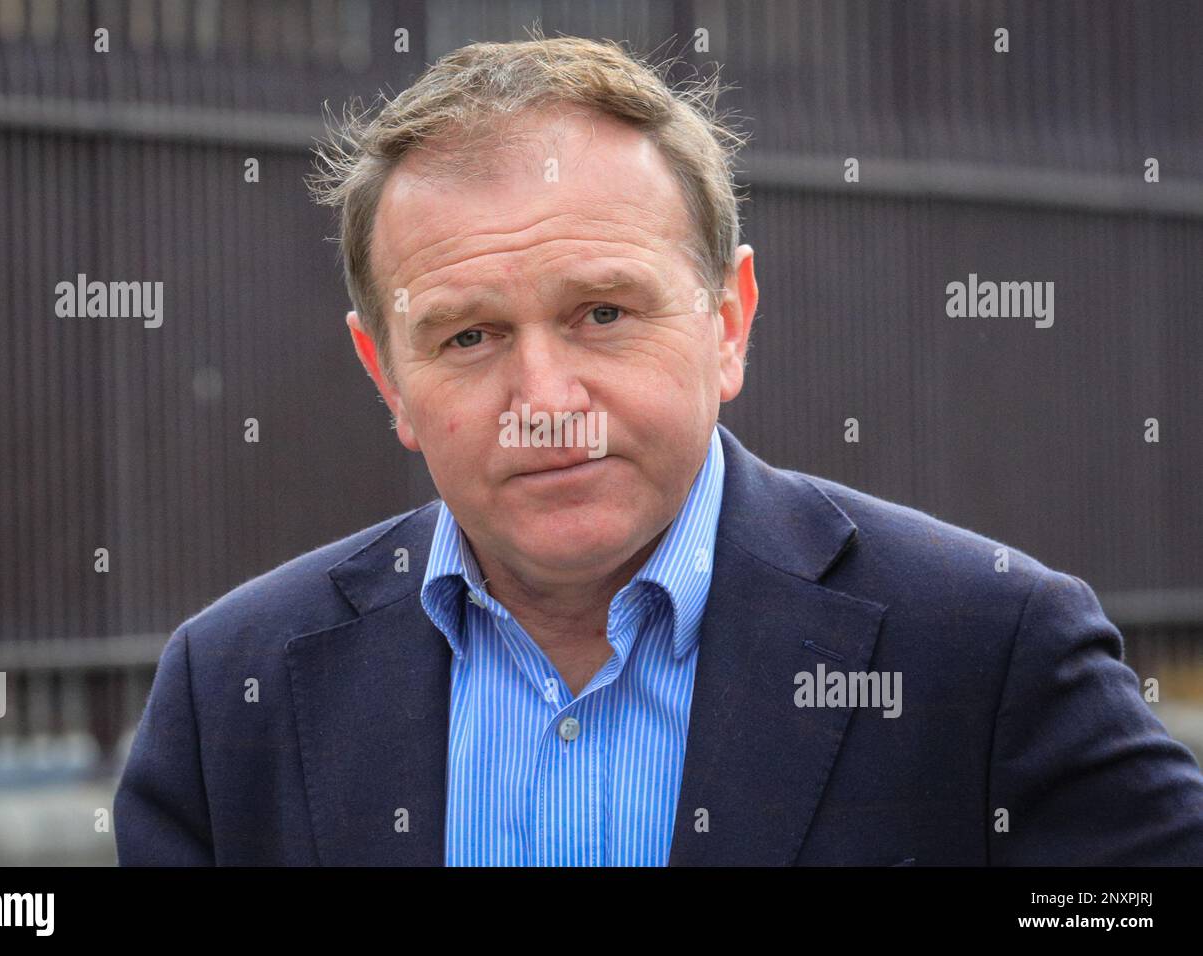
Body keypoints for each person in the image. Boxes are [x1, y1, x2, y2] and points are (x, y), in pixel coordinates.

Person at [114, 33, 1203, 866]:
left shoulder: (991, 649)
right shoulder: (231, 694)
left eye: (602, 313)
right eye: (468, 334)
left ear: (728, 320)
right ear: (387, 376)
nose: (545, 399)